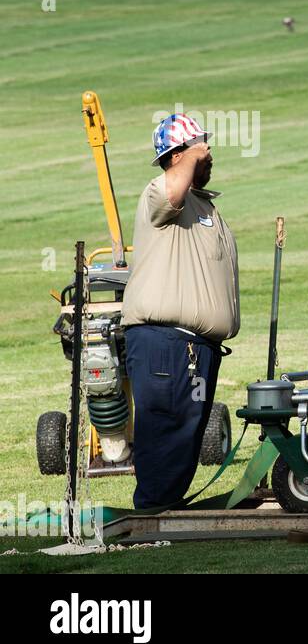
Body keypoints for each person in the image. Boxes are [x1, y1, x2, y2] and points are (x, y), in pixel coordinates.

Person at [121, 113, 238, 509]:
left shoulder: (201, 204)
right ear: (178, 156)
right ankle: (153, 513)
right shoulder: (160, 194)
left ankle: (166, 508)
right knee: (165, 427)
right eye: (202, 149)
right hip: (166, 345)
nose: (209, 156)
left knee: (185, 430)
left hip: (195, 348)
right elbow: (171, 192)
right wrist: (190, 153)